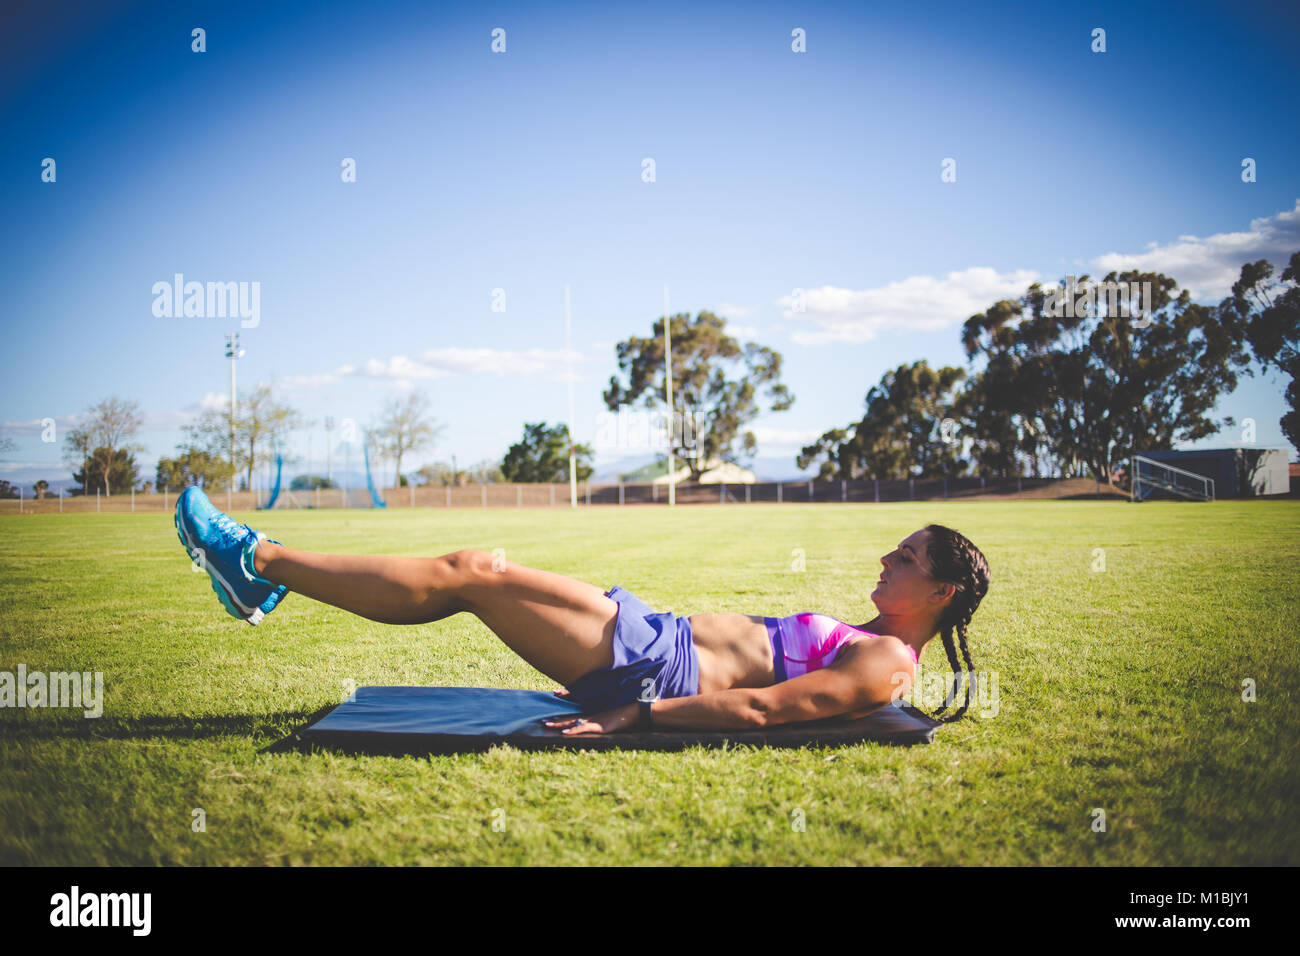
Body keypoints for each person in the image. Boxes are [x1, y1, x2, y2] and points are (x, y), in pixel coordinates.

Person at [174, 486, 989, 735]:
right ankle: (260, 567)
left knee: (471, 572)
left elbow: (765, 708)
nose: (887, 558)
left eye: (907, 558)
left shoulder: (887, 664)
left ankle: (257, 562)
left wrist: (636, 712)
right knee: (477, 568)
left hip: (650, 666)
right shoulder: (874, 635)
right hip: (653, 634)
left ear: (941, 594)